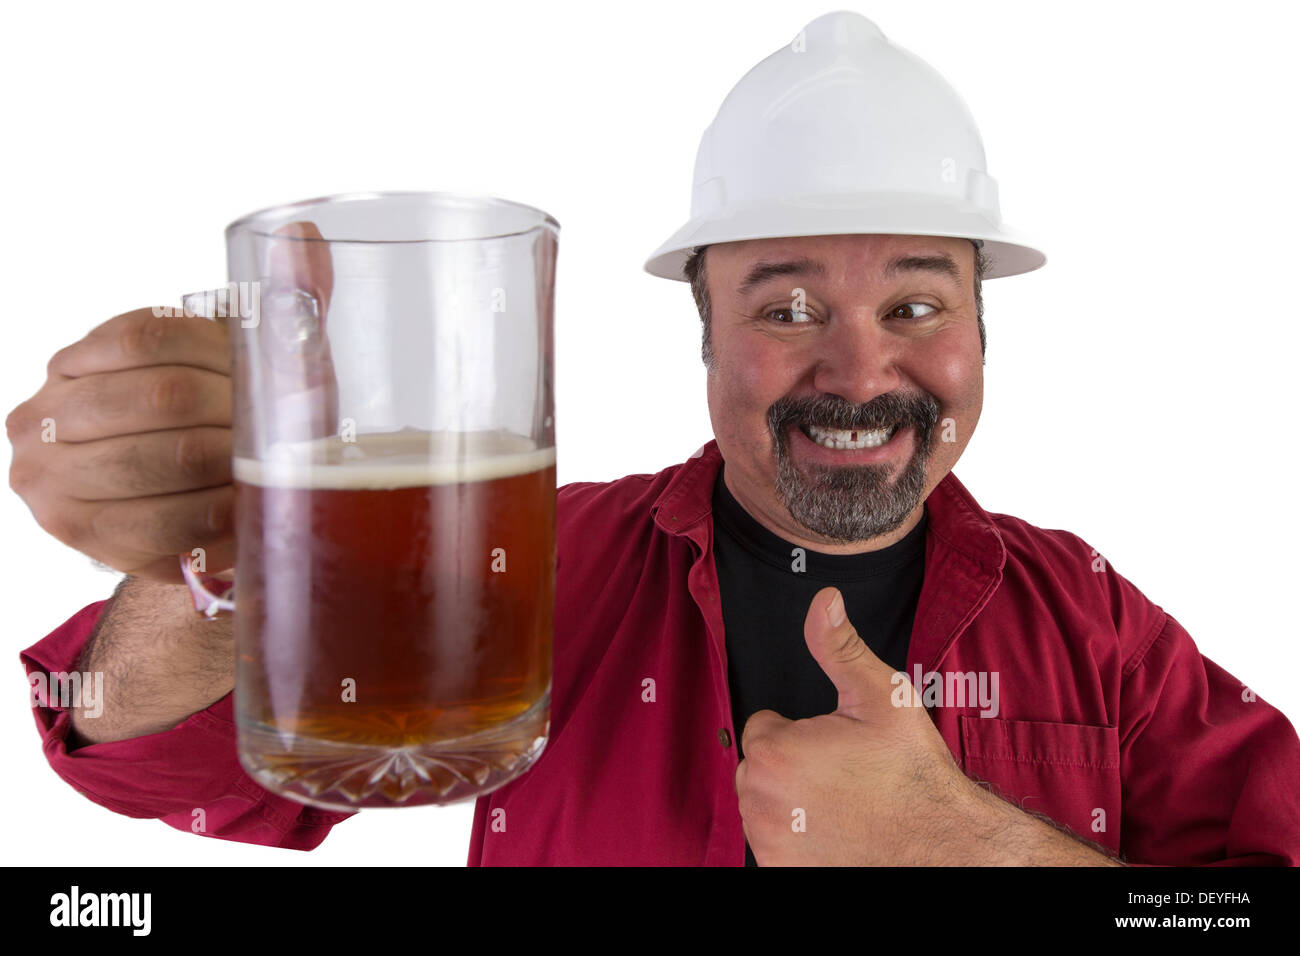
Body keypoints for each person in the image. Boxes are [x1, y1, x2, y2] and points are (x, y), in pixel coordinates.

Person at [10, 12, 1300, 866]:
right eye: (784, 307)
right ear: (699, 328)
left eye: (915, 304)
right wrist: (220, 566)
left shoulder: (1094, 620)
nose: (861, 368)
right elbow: (131, 759)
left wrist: (966, 848)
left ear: (980, 329)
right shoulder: (535, 561)